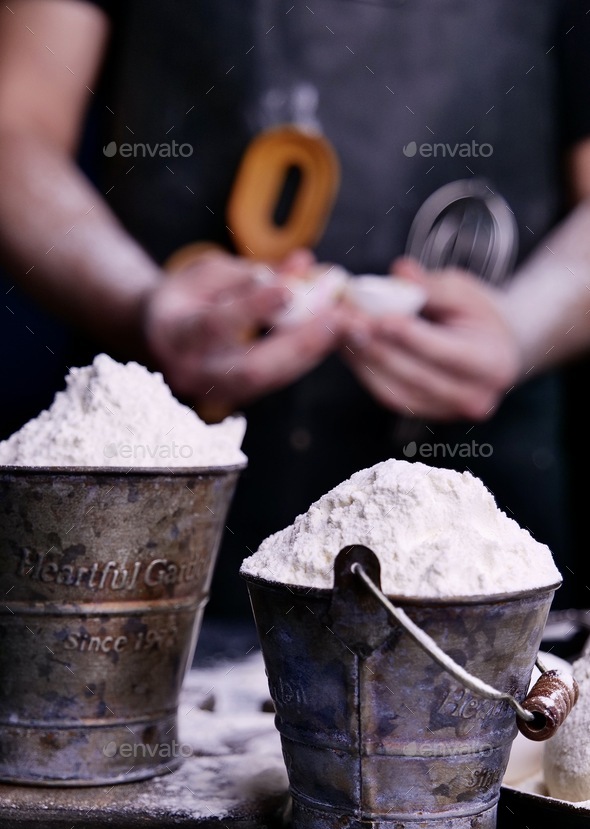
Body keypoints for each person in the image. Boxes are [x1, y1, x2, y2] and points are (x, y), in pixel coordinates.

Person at [1, 0, 590, 617]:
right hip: (158, 500)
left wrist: (520, 329)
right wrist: (140, 302)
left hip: (483, 506)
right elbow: (15, 131)